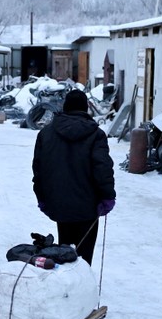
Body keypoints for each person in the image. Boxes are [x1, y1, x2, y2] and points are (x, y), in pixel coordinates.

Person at [32, 89, 116, 265]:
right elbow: (102, 169)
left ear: (65, 107)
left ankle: (65, 286)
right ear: (86, 109)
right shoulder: (96, 134)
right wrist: (107, 196)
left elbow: (38, 170)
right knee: (84, 257)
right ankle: (82, 286)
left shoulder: (46, 134)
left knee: (63, 252)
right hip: (88, 207)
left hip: (58, 204)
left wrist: (42, 198)